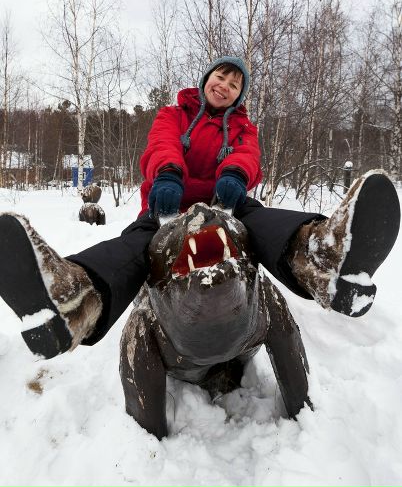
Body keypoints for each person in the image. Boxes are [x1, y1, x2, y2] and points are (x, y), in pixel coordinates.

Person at [0, 56, 400, 360]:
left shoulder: (244, 127)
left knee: (262, 222)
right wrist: (168, 174)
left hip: (225, 203)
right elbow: (161, 144)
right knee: (137, 247)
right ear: (206, 79)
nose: (224, 86)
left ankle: (327, 259)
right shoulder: (173, 114)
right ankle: (71, 300)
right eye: (220, 77)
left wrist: (235, 175)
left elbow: (248, 156)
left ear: (239, 95)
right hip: (168, 204)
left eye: (234, 84)